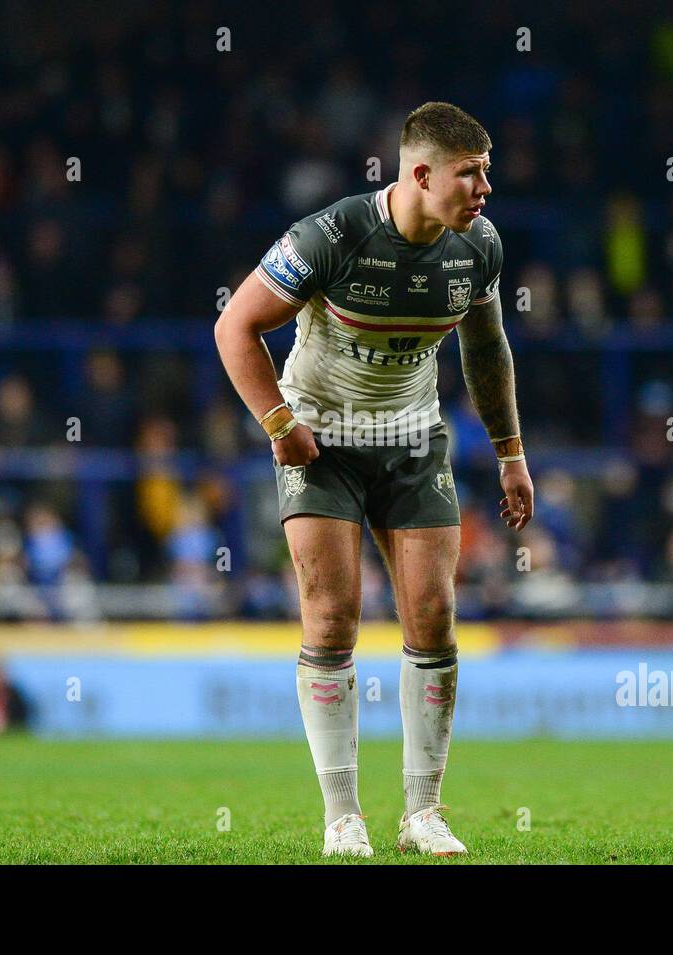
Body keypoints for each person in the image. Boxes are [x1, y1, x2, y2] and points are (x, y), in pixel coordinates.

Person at [215, 102, 534, 857]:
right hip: (322, 443)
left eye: (487, 172)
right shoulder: (332, 236)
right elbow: (236, 325)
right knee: (331, 622)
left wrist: (511, 452)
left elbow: (486, 352)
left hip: (413, 440)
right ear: (422, 175)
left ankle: (422, 812)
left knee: (433, 617)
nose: (485, 188)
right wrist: (278, 423)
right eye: (471, 174)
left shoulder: (477, 246)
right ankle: (342, 817)